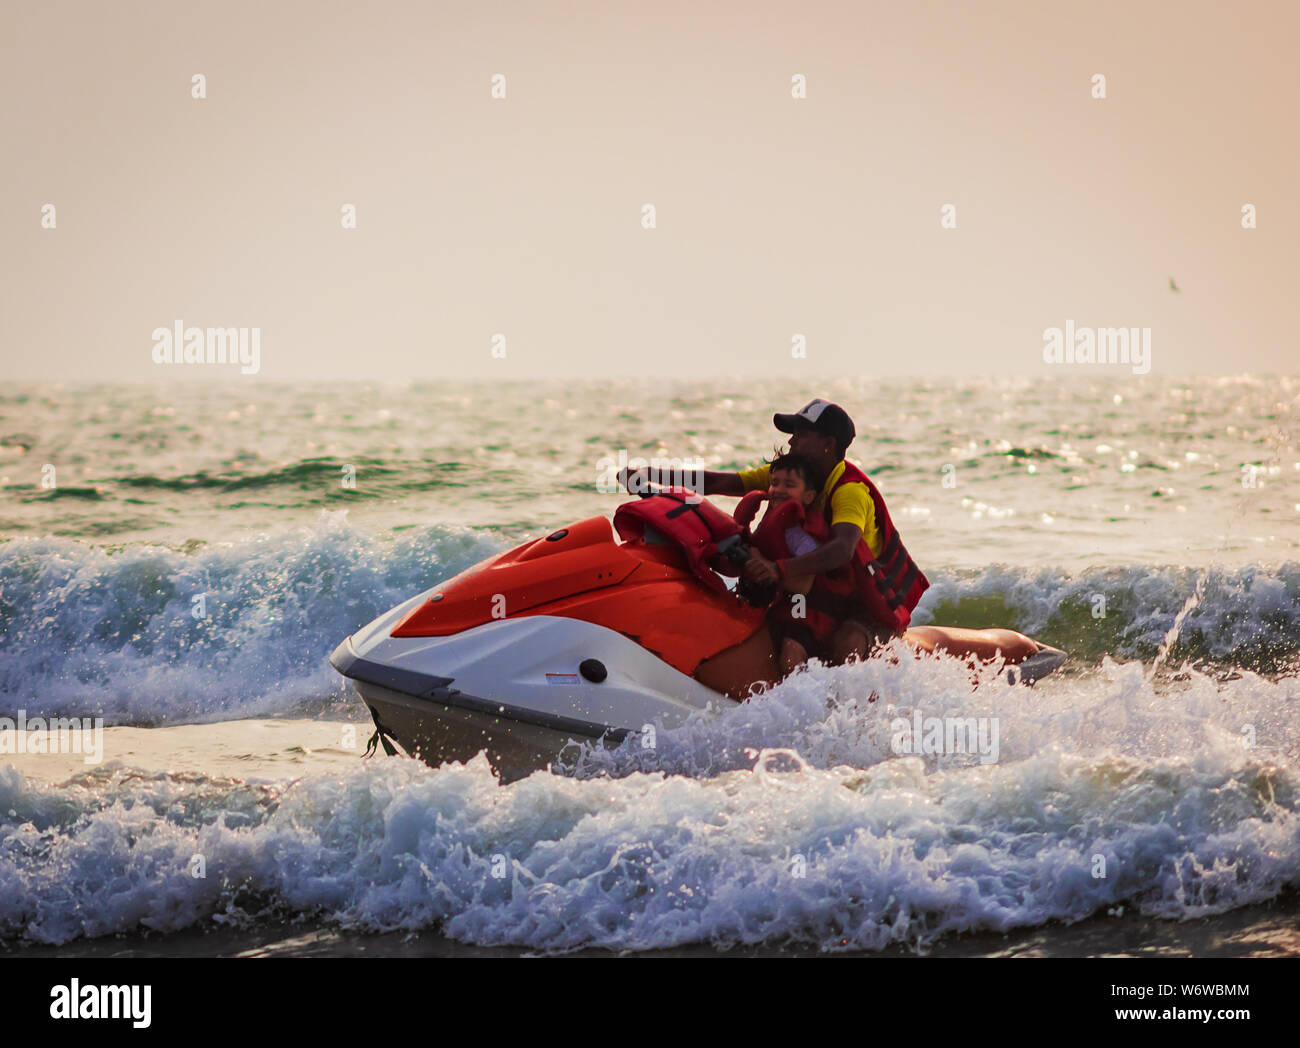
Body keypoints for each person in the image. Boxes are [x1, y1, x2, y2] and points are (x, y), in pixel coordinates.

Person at [622, 398, 929, 663]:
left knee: (845, 643)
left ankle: (848, 721)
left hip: (868, 603)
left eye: (801, 434)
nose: (792, 442)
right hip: (821, 591)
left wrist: (777, 568)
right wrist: (648, 476)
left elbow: (842, 550)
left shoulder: (850, 491)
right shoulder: (787, 477)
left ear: (828, 444)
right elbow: (719, 483)